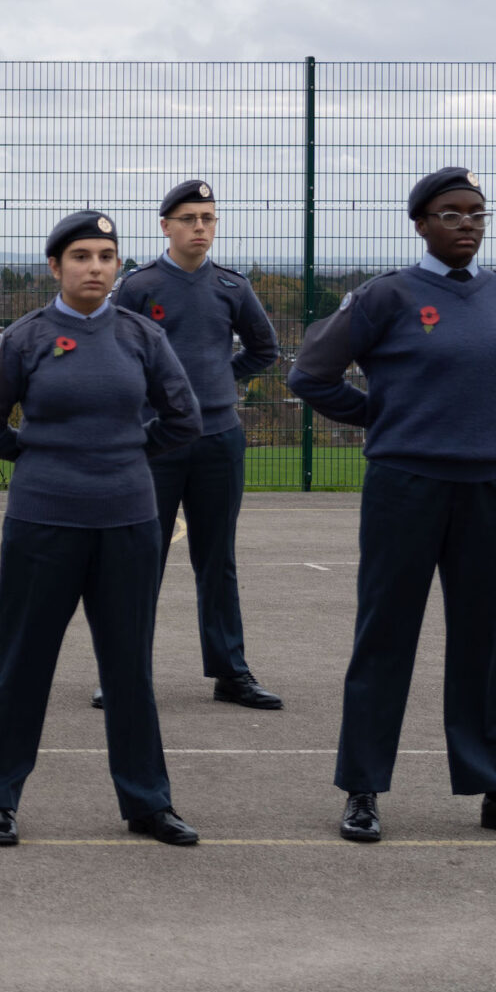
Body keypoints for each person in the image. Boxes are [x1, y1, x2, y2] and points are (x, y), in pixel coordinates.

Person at [290, 167, 496, 845]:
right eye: (451, 212)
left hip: (491, 488)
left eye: (477, 212)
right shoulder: (388, 295)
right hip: (405, 486)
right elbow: (311, 373)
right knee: (385, 636)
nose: (468, 222)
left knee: (483, 641)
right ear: (420, 222)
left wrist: (492, 420)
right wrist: (387, 417)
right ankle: (363, 788)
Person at [0, 210, 204, 848]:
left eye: (105, 256)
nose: (95, 267)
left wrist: (123, 453)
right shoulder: (26, 337)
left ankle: (148, 802)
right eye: (80, 257)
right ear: (55, 267)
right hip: (43, 523)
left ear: (118, 264)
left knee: (129, 668)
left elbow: (183, 418)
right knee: (22, 663)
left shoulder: (140, 336)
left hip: (127, 522)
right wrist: (44, 458)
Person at [109, 179, 283, 712]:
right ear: (166, 225)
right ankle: (122, 674)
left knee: (217, 560)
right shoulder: (139, 286)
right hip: (156, 441)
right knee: (142, 559)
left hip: (218, 439)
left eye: (208, 218)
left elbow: (264, 348)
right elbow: (113, 350)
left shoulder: (232, 287)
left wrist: (218, 379)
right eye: (189, 218)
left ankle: (230, 672)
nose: (200, 227)